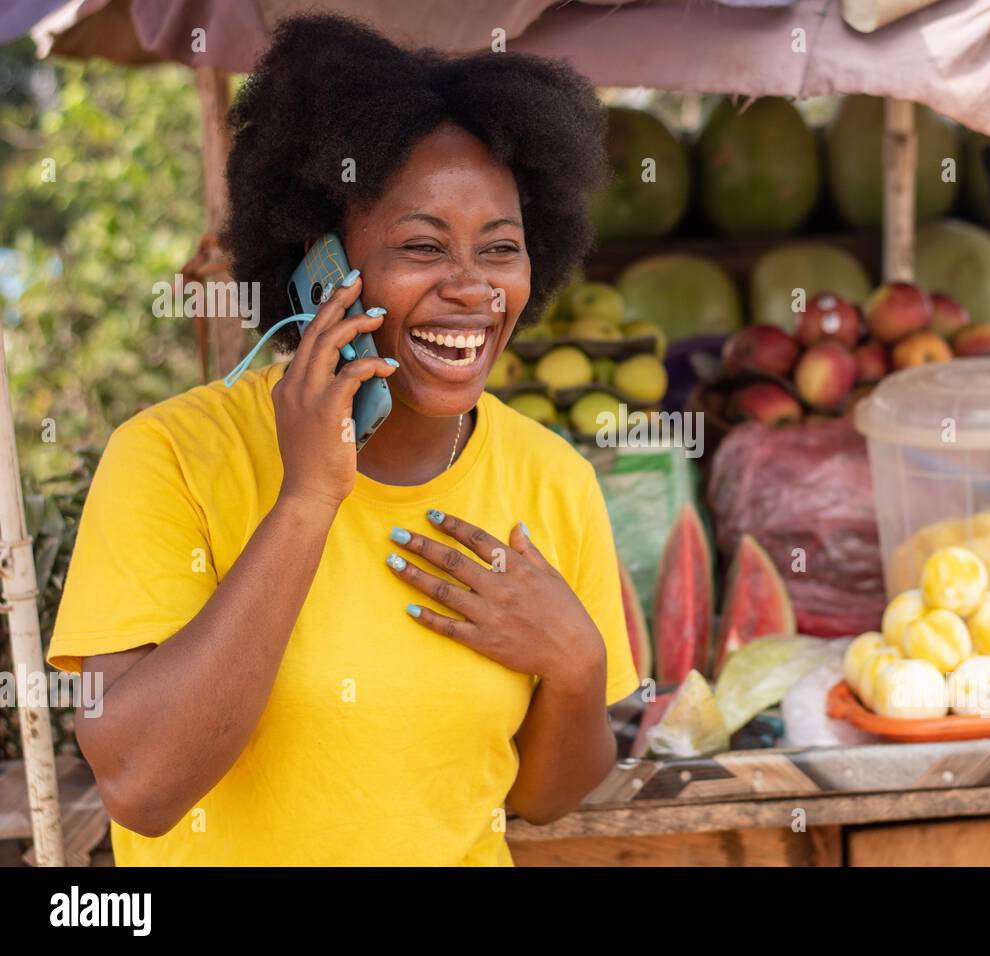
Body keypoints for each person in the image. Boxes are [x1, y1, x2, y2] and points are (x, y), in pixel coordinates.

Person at [47, 13, 639, 866]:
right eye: (422, 246)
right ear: (318, 262)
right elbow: (140, 787)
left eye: (501, 250)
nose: (473, 289)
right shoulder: (171, 458)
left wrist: (578, 665)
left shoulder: (552, 480)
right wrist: (307, 500)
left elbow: (544, 800)